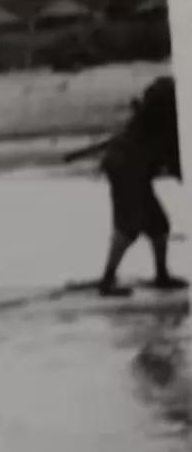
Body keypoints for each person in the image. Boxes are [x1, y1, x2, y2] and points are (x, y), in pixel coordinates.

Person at [97, 75, 186, 296]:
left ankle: (162, 276)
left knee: (158, 224)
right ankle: (107, 282)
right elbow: (175, 160)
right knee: (128, 227)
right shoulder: (169, 118)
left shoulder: (161, 110)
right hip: (127, 168)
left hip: (127, 165)